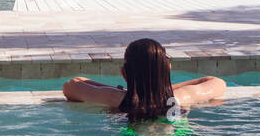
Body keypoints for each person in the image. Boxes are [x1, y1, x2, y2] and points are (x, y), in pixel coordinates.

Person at [62, 38, 226, 120]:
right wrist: (162, 88)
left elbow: (72, 85)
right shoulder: (181, 97)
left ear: (124, 73)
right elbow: (217, 82)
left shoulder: (115, 97)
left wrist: (130, 90)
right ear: (168, 69)